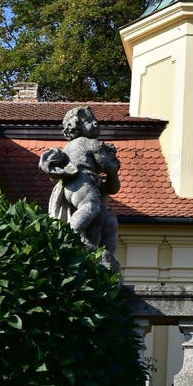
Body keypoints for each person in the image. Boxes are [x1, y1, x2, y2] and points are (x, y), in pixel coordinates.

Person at [39, 106, 120, 270]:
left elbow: (112, 188)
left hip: (82, 183)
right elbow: (106, 165)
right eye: (89, 121)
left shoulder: (73, 148)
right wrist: (113, 165)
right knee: (91, 206)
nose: (95, 123)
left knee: (107, 218)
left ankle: (100, 252)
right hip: (81, 180)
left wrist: (111, 175)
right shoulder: (87, 142)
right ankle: (74, 234)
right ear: (77, 125)